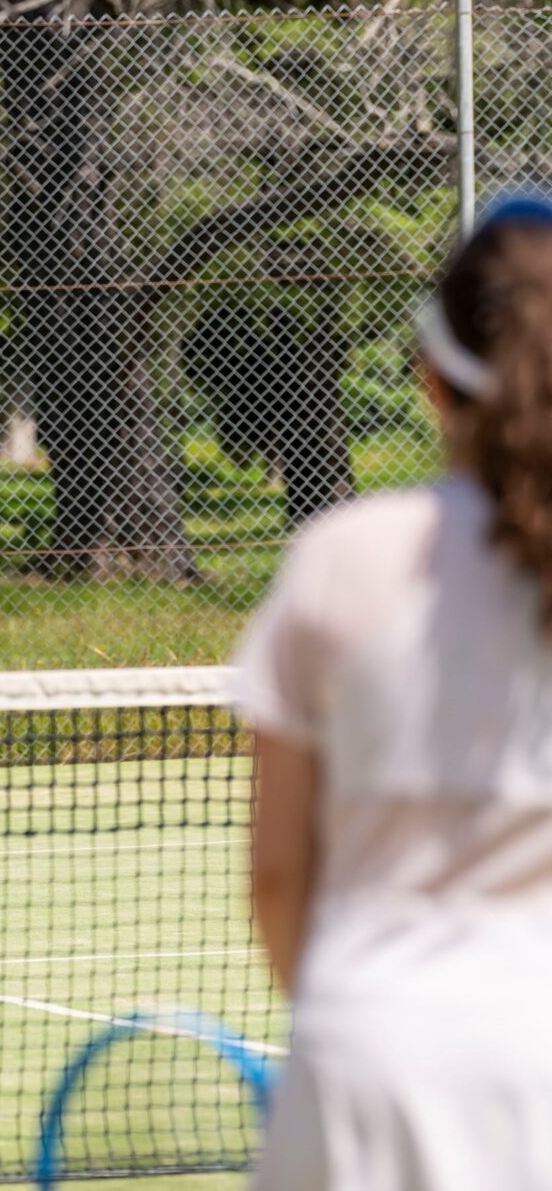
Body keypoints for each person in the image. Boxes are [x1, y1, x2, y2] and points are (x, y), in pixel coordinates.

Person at [236, 196, 552, 1189]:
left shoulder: (338, 558)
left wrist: (346, 1025)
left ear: (429, 377)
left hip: (365, 1055)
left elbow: (276, 876)